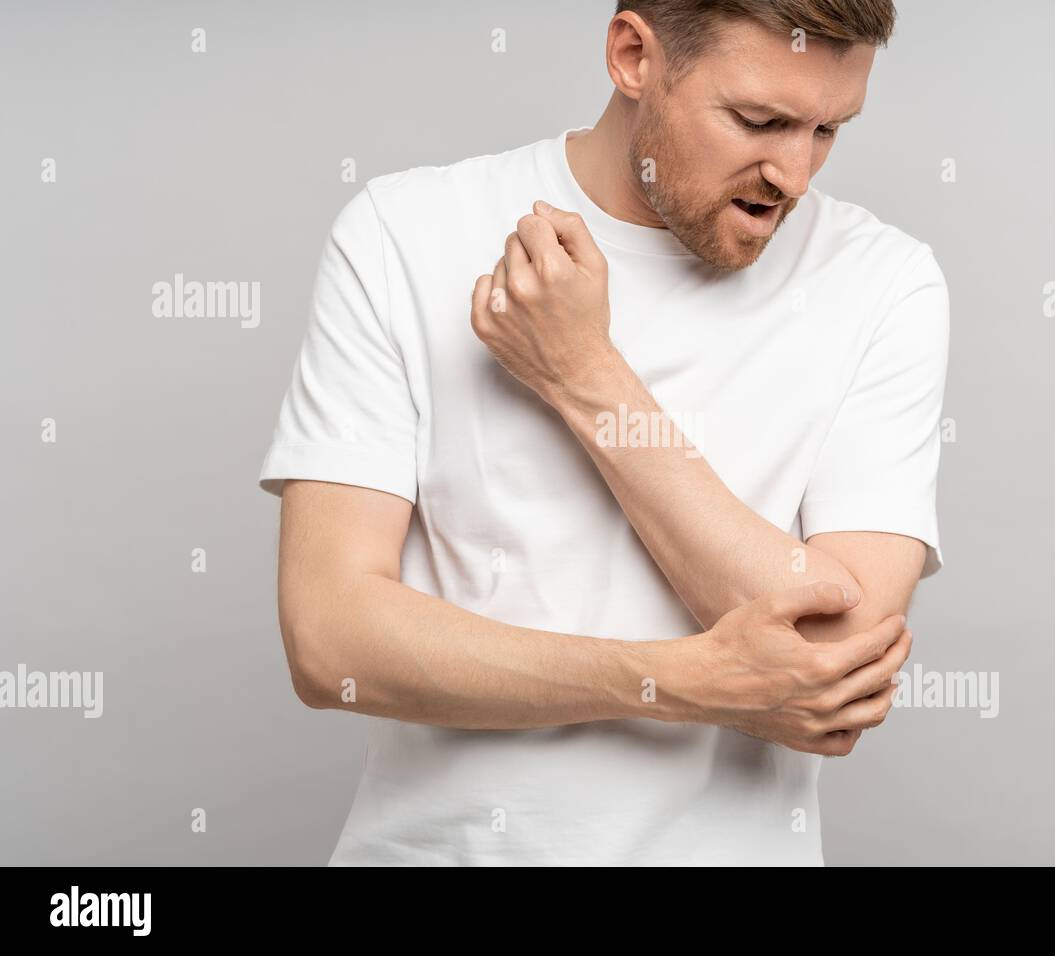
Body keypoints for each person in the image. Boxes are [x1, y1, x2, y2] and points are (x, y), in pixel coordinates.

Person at [258, 0, 948, 866]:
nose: (796, 176)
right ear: (631, 55)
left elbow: (832, 665)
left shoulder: (883, 283)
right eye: (760, 121)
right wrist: (676, 681)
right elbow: (330, 639)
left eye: (828, 131)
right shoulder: (405, 234)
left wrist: (584, 374)